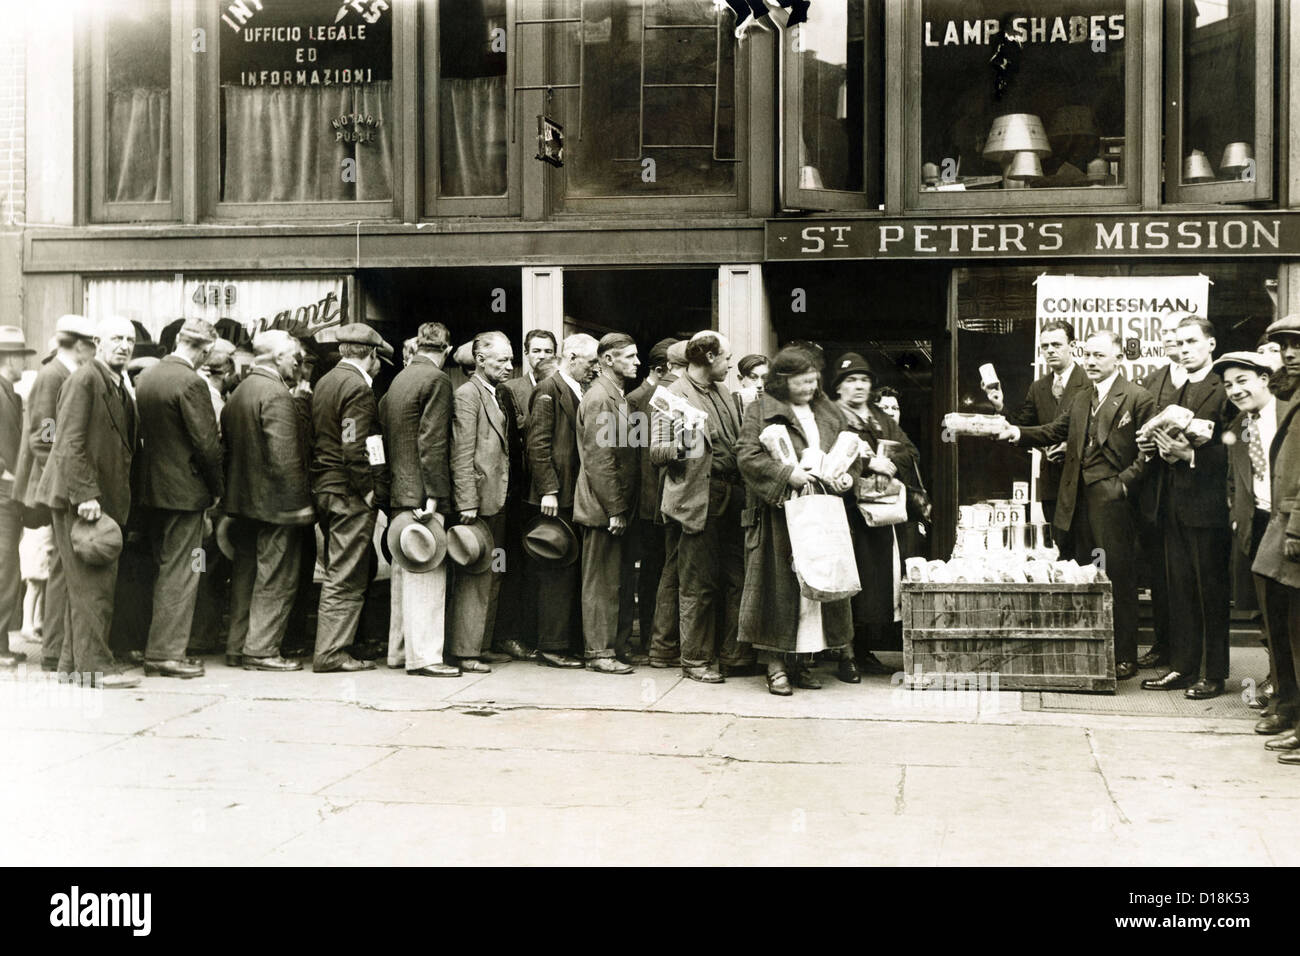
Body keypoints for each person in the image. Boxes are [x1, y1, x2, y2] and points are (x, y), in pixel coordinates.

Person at [997, 330, 1155, 681]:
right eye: (1089, 355)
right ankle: (1089, 650)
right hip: (1076, 499)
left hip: (1112, 501)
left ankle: (1124, 655)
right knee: (1082, 573)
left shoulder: (1137, 397)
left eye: (1099, 355)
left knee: (1117, 577)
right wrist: (1015, 432)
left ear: (1118, 358)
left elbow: (1149, 451)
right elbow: (1054, 430)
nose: (1092, 362)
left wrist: (1123, 486)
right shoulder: (1082, 398)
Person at [737, 345, 859, 696]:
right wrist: (784, 475)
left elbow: (850, 457)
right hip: (779, 516)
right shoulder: (760, 411)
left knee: (814, 589)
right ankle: (775, 666)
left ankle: (803, 662)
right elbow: (746, 456)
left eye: (813, 381)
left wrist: (846, 477)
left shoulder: (829, 411)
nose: (809, 387)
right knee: (778, 591)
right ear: (783, 380)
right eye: (801, 382)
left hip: (820, 510)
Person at [36, 315, 140, 688]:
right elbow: (69, 443)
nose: (124, 345)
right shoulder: (86, 380)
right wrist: (86, 497)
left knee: (81, 586)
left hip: (88, 496)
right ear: (98, 341)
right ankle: (95, 669)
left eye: (129, 340)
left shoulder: (110, 382)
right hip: (80, 498)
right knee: (93, 587)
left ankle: (70, 667)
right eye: (116, 338)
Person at [1138, 315, 1232, 701]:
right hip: (1172, 501)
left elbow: (1235, 447)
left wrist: (1191, 455)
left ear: (1211, 344)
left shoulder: (1226, 386)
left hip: (1208, 505)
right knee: (1179, 589)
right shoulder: (1176, 387)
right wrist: (1152, 446)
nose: (1185, 349)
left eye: (1192, 341)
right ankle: (1183, 664)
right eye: (1179, 342)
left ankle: (1214, 674)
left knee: (1209, 589)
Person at [650, 331, 752, 682]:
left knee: (737, 579)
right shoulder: (670, 395)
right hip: (697, 498)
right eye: (726, 357)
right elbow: (656, 451)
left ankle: (732, 655)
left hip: (732, 496)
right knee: (698, 583)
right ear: (709, 357)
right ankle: (695, 659)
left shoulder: (724, 392)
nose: (730, 364)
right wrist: (681, 444)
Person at [135, 319, 224, 680]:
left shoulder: (149, 376)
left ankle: (159, 648)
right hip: (185, 494)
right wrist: (217, 489)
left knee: (163, 568)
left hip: (152, 490)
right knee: (182, 571)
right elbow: (207, 445)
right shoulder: (191, 382)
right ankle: (167, 654)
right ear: (204, 351)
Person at [222, 331, 314, 671]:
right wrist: (299, 505)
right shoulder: (276, 394)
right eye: (294, 358)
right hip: (276, 506)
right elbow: (285, 456)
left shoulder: (241, 390)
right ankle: (261, 650)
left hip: (244, 504)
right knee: (277, 577)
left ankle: (237, 645)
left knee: (245, 574)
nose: (298, 365)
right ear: (277, 358)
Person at [1217, 350, 1295, 736]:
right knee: (1271, 620)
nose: (1235, 390)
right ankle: (1284, 702)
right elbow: (1236, 476)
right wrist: (1238, 513)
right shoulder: (1239, 425)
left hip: (1292, 523)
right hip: (1258, 525)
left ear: (1265, 378)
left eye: (1242, 380)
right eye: (1229, 384)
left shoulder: (1290, 415)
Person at [13, 315, 96, 671]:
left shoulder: (59, 373)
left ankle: (56, 648)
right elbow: (43, 437)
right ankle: (55, 649)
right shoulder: (54, 376)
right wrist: (65, 482)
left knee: (61, 568)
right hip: (57, 487)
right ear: (79, 344)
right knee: (63, 568)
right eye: (92, 343)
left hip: (55, 484)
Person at [378, 321, 460, 678]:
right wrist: (435, 496)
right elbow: (432, 442)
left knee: (403, 573)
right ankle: (426, 656)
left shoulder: (399, 379)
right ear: (446, 349)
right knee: (426, 572)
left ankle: (399, 650)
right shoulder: (437, 380)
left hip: (400, 491)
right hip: (422, 497)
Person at [310, 323, 392, 673]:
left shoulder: (325, 382)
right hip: (348, 493)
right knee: (345, 576)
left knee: (342, 568)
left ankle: (342, 645)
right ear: (372, 354)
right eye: (378, 359)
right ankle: (331, 653)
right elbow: (354, 445)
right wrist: (370, 488)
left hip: (326, 488)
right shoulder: (358, 388)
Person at [833, 352, 920, 681]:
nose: (858, 386)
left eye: (864, 380)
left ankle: (864, 648)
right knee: (845, 583)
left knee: (875, 585)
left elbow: (910, 450)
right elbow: (826, 458)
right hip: (843, 511)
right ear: (838, 387)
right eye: (851, 380)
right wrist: (866, 463)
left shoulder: (880, 419)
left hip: (877, 515)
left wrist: (891, 461)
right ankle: (844, 654)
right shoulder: (830, 417)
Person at [525, 332, 598, 668]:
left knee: (569, 569)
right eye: (591, 361)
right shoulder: (548, 390)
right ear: (572, 358)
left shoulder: (577, 389)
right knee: (556, 570)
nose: (594, 368)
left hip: (573, 493)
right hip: (559, 496)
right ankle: (551, 646)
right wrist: (548, 490)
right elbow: (537, 444)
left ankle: (565, 642)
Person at [575, 332, 642, 673]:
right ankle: (600, 653)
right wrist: (614, 508)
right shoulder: (601, 398)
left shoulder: (616, 395)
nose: (637, 362)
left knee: (617, 580)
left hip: (615, 507)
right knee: (602, 582)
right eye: (629, 357)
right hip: (603, 510)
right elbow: (600, 460)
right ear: (607, 361)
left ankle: (614, 647)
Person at [448, 331, 514, 673]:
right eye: (502, 360)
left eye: (510, 359)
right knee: (476, 577)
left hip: (496, 500)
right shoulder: (467, 395)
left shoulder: (494, 393)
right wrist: (467, 502)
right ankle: (466, 650)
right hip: (480, 504)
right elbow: (461, 453)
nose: (509, 366)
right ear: (480, 360)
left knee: (492, 574)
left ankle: (481, 644)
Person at [1251, 315, 1300, 763]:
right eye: (1284, 346)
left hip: (1294, 529)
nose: (1290, 353)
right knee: (1282, 625)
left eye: (1298, 346)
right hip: (1277, 524)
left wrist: (1298, 526)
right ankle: (1288, 709)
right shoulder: (1291, 395)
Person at [1011, 319, 1091, 562]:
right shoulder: (1039, 387)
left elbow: (1101, 430)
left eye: (1056, 344)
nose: (1050, 351)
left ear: (1073, 346)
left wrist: (1072, 446)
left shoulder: (1089, 381)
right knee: (1061, 553)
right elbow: (1024, 429)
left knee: (1085, 552)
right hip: (1051, 484)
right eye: (1045, 346)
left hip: (1082, 482)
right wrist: (999, 406)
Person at [1133, 326, 1185, 670]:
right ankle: (1164, 644)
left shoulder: (1215, 381)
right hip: (1157, 492)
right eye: (1164, 332)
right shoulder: (1153, 380)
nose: (1169, 338)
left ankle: (1192, 653)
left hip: (1194, 489)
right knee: (1162, 576)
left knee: (1191, 577)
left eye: (1177, 332)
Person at [625, 337, 678, 662]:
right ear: (662, 368)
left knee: (664, 571)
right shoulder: (636, 400)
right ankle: (648, 637)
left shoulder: (663, 396)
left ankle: (661, 637)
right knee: (650, 572)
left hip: (665, 498)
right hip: (647, 502)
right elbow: (630, 456)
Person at [0, 327, 34, 666]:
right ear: (9, 358)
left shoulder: (11, 393)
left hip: (8, 493)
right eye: (20, 357)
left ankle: (2, 646)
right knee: (2, 568)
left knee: (7, 567)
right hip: (2, 494)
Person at [502, 329, 558, 426]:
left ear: (554, 355)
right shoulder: (510, 388)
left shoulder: (563, 387)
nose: (542, 356)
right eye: (536, 351)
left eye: (548, 351)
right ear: (526, 353)